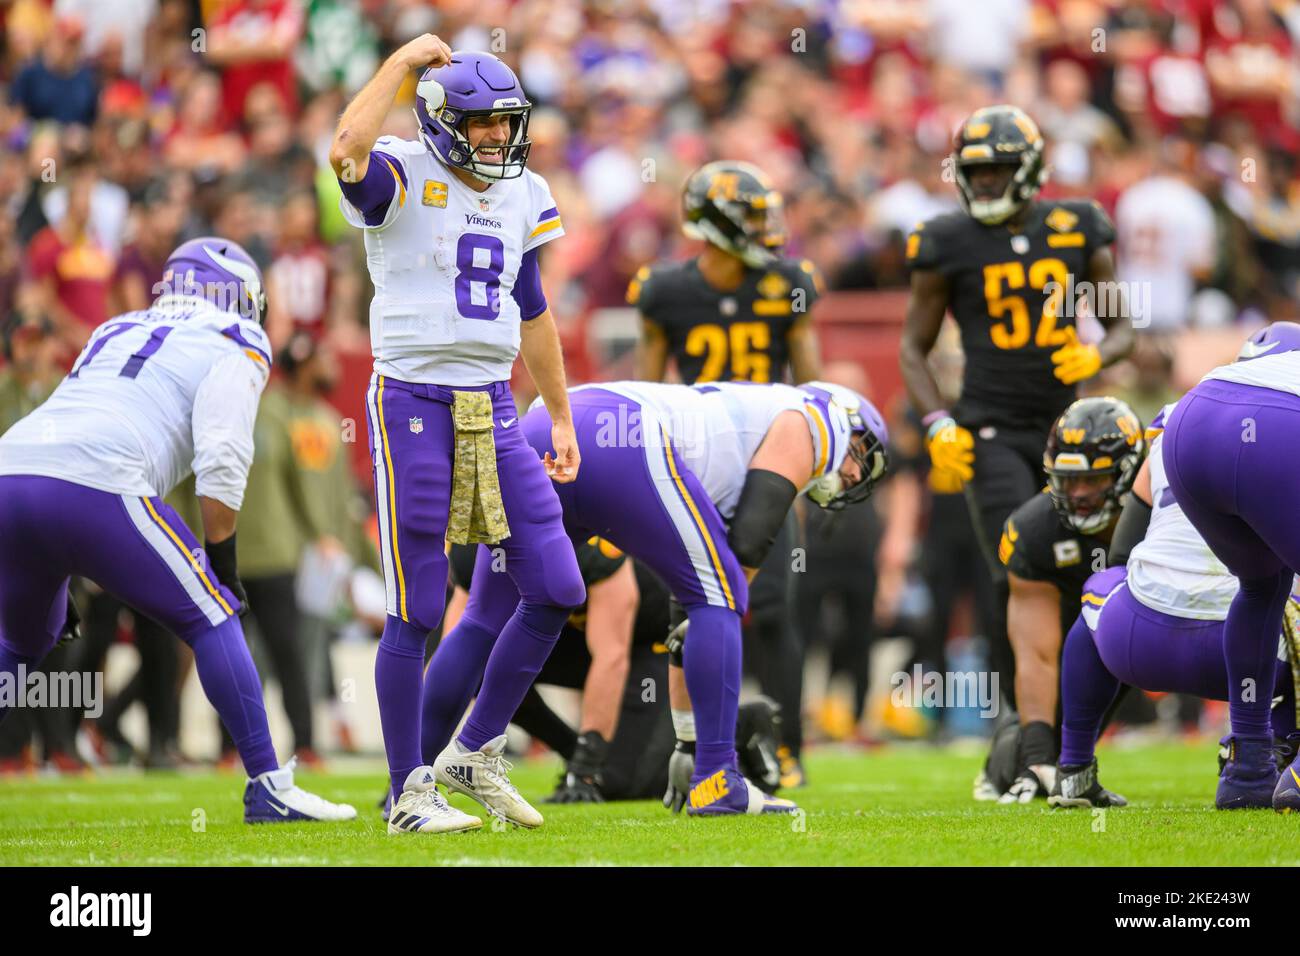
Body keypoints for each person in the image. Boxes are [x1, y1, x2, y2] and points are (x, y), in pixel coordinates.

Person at [0, 236, 355, 823]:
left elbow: (67, 430)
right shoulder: (238, 336)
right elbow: (222, 454)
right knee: (212, 611)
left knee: (19, 645)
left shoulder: (114, 326)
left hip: (13, 470)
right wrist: (224, 560)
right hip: (98, 475)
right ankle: (269, 785)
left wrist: (52, 566)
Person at [421, 379, 889, 816]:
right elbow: (746, 547)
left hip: (551, 423)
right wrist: (716, 604)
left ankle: (417, 779)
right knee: (722, 594)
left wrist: (684, 741)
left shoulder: (741, 426)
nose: (852, 473)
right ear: (844, 418)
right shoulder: (809, 418)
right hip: (621, 435)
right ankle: (719, 779)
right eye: (860, 455)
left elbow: (685, 603)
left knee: (489, 616)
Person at [330, 40, 585, 835]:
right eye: (479, 126)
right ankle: (408, 789)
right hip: (412, 396)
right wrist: (401, 66)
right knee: (420, 604)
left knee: (557, 585)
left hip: (494, 406)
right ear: (442, 123)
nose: (497, 140)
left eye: (506, 124)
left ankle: (472, 753)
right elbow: (345, 149)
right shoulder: (401, 170)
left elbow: (533, 310)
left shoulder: (524, 193)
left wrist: (564, 415)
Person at [898, 105, 1135, 799]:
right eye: (976, 170)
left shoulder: (1077, 226)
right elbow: (913, 346)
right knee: (1019, 568)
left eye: (998, 166)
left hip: (1075, 433)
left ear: (1029, 168)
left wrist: (1097, 349)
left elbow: (1121, 324)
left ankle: (1060, 743)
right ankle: (1023, 733)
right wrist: (938, 417)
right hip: (990, 429)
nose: (987, 179)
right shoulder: (946, 240)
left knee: (1096, 582)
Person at [631, 160, 823, 784]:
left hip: (769, 459)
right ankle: (697, 747)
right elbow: (646, 386)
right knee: (692, 605)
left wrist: (801, 469)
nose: (768, 229)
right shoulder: (665, 291)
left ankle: (786, 746)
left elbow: (808, 385)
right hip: (701, 463)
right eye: (753, 215)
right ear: (714, 224)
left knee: (771, 611)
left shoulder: (788, 283)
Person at [1051, 329, 1300, 808]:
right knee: (1279, 593)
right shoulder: (1283, 401)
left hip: (1138, 640)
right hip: (1262, 664)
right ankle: (1276, 751)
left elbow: (1123, 552)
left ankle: (1077, 767)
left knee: (1107, 586)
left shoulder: (1182, 409)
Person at [1162, 321, 1300, 811]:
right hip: (1278, 426)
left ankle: (1248, 769)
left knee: (1262, 586)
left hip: (1192, 419)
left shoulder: (1256, 370)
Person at [993, 397, 1146, 802]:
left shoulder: (1167, 516)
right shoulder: (1036, 529)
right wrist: (1038, 756)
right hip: (1078, 652)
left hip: (1156, 634)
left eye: (1092, 479)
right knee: (1021, 761)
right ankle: (1024, 742)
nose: (1078, 493)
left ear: (1128, 472)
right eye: (1068, 479)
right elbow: (1037, 655)